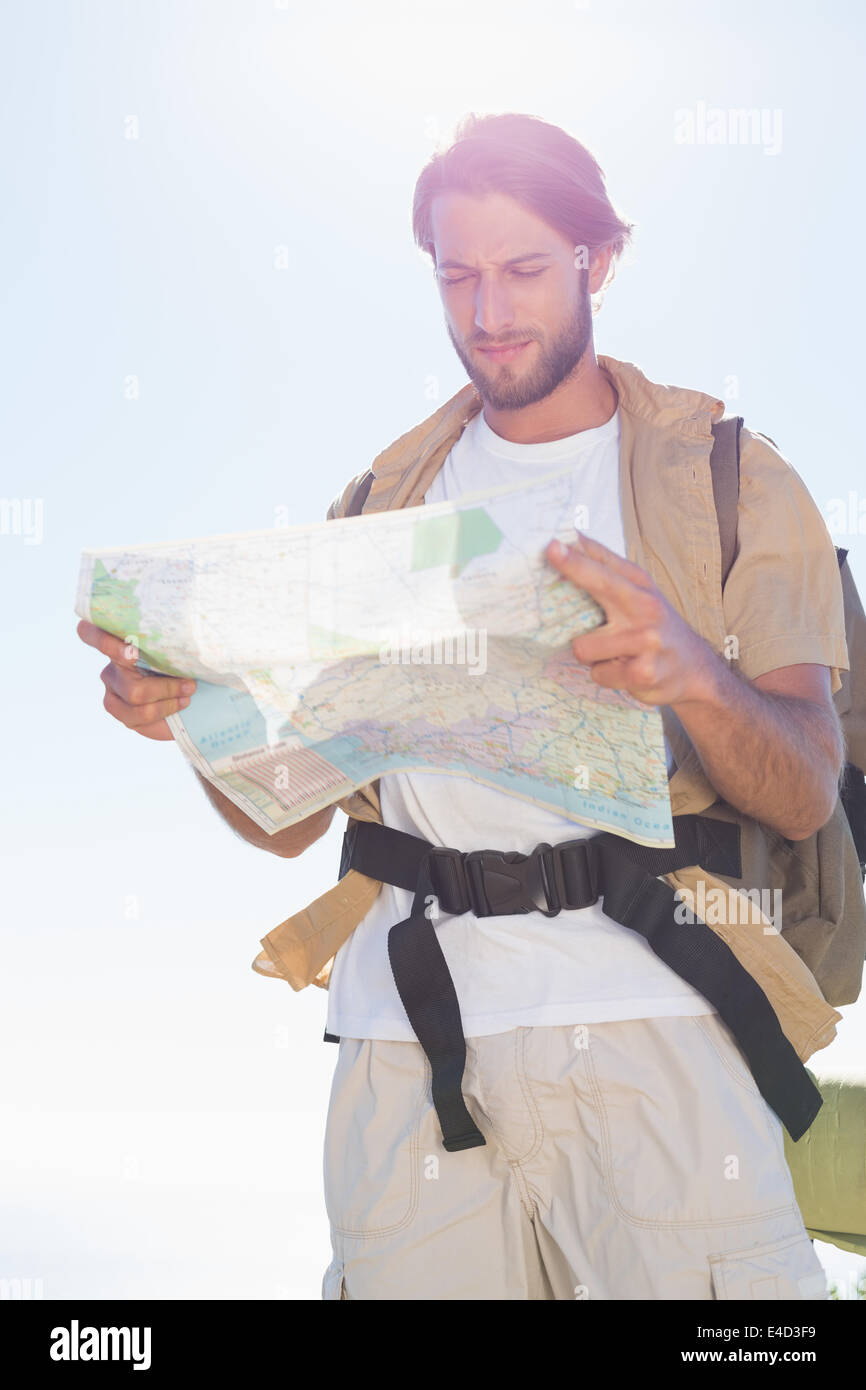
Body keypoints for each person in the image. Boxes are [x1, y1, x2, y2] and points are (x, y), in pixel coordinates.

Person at [78, 112, 850, 1300]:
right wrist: (189, 721)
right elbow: (288, 820)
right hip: (403, 1042)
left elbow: (802, 782)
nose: (487, 313)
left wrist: (691, 665)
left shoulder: (727, 473)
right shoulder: (378, 503)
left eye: (525, 270)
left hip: (649, 1017)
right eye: (457, 275)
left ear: (600, 259)